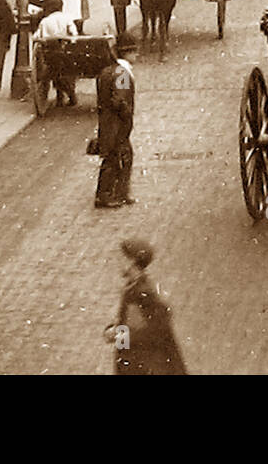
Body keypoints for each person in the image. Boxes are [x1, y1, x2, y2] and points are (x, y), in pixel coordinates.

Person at [105, 238, 186, 374]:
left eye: (121, 258)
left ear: (131, 262)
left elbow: (157, 330)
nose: (118, 262)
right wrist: (113, 331)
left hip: (147, 366)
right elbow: (130, 326)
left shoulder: (144, 292)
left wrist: (119, 335)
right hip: (133, 364)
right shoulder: (131, 289)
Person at [95, 56, 135, 208]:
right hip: (117, 123)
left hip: (107, 122)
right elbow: (119, 101)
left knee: (117, 155)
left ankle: (119, 192)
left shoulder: (107, 71)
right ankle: (105, 195)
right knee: (115, 157)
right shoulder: (122, 73)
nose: (136, 56)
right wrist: (126, 115)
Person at [35, 0, 76, 107]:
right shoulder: (67, 18)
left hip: (50, 54)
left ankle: (59, 96)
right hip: (66, 53)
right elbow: (74, 34)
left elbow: (36, 37)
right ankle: (70, 94)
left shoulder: (45, 21)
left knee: (51, 70)